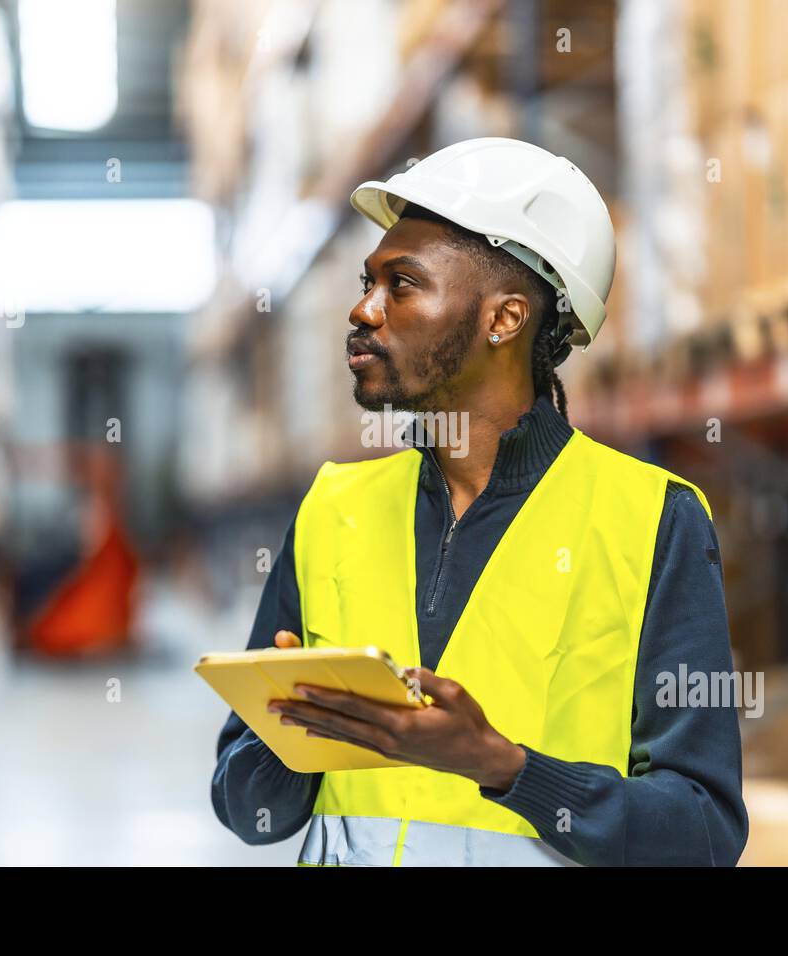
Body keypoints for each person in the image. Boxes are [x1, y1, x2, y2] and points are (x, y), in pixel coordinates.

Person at [211, 138, 747, 866]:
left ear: (505, 319)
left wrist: (504, 768)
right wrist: (294, 735)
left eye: (402, 284)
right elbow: (245, 808)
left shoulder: (652, 519)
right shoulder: (334, 506)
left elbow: (703, 834)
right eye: (368, 282)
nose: (363, 310)